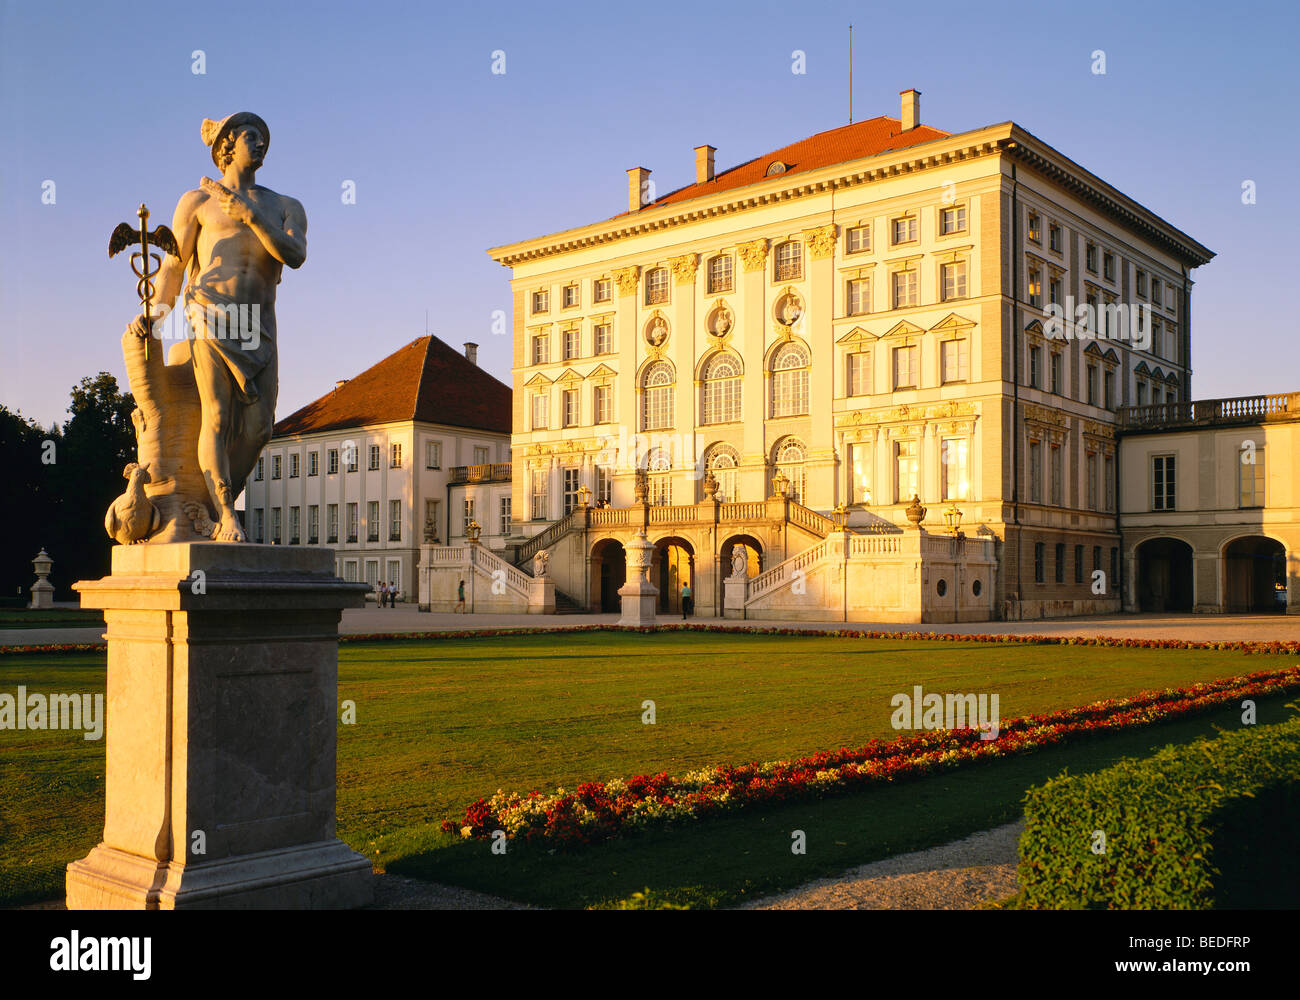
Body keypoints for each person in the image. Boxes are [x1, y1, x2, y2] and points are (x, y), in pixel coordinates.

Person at [127, 112, 306, 541]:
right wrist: (155, 314)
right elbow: (174, 267)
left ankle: (210, 503)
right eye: (251, 136)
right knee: (219, 416)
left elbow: (295, 255)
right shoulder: (196, 202)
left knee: (261, 428)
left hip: (257, 322)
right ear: (227, 145)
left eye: (264, 137)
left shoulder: (284, 205)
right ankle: (226, 514)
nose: (260, 143)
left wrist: (250, 216)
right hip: (210, 312)